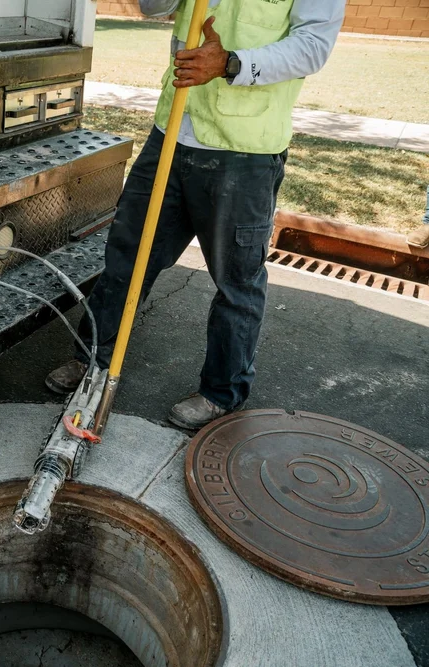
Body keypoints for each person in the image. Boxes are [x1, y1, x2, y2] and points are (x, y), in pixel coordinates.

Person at [46, 0, 346, 430]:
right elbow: (153, 7)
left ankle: (221, 392)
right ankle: (92, 359)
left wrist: (231, 63)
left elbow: (313, 45)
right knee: (127, 256)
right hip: (172, 128)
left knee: (236, 281)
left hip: (243, 150)